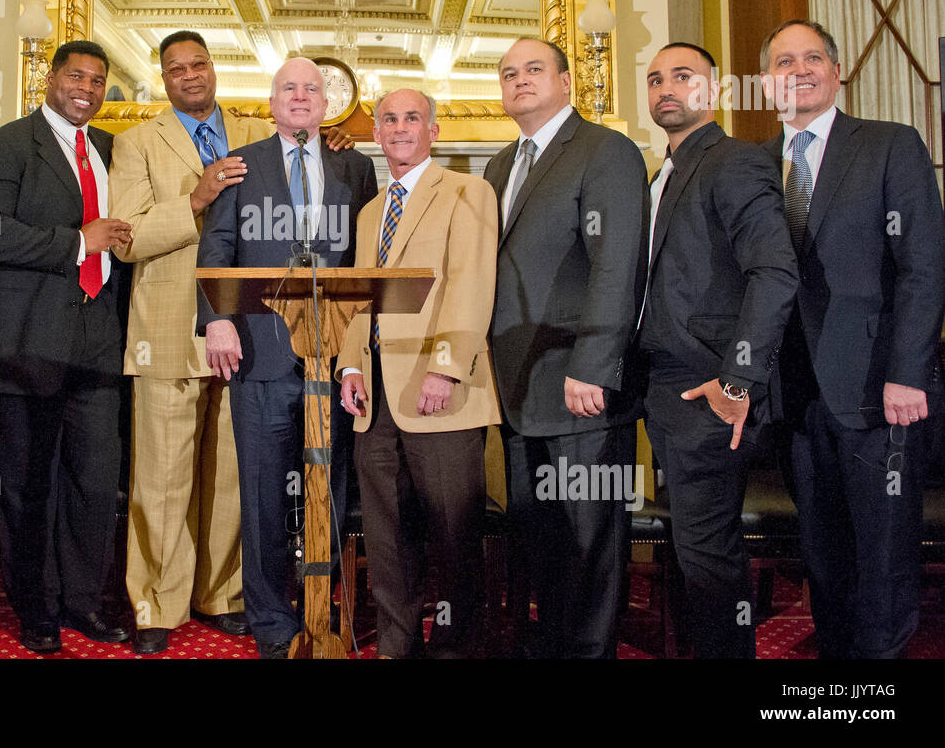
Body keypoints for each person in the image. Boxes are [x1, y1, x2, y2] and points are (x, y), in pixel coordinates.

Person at [110, 31, 357, 654]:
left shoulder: (281, 134)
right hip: (185, 328)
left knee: (231, 483)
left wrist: (330, 136)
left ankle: (223, 595)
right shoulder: (138, 142)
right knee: (165, 478)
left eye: (200, 64)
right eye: (176, 68)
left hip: (286, 349)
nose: (190, 75)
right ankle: (156, 606)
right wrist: (196, 204)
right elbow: (134, 239)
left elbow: (310, 137)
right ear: (162, 78)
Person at [762, 19, 945, 659]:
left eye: (813, 57)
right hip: (794, 398)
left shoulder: (890, 145)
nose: (800, 69)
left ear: (836, 73)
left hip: (878, 389)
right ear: (766, 81)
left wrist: (909, 374)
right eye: (785, 60)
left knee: (883, 560)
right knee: (824, 559)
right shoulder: (758, 164)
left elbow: (924, 267)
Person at [195, 57, 377, 658]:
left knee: (332, 490)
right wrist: (218, 319)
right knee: (264, 495)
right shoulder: (240, 165)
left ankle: (329, 613)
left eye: (312, 89)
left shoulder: (355, 165)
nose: (300, 97)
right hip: (261, 357)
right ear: (271, 103)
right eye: (288, 88)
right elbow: (217, 246)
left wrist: (354, 357)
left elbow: (367, 262)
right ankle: (273, 622)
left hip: (336, 362)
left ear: (327, 104)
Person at [0, 40, 132, 653]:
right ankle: (35, 610)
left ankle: (82, 604)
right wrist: (75, 242)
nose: (86, 88)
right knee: (29, 487)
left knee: (92, 482)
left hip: (99, 343)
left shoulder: (112, 149)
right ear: (51, 79)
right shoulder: (8, 143)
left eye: (97, 80)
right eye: (75, 76)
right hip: (27, 342)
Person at [484, 37, 647, 658]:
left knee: (589, 544)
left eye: (533, 69)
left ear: (566, 81)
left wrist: (595, 367)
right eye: (508, 73)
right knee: (540, 538)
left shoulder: (606, 151)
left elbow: (616, 265)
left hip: (581, 387)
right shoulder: (501, 165)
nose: (519, 80)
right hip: (520, 388)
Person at [638, 42, 797, 658]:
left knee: (708, 557)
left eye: (683, 76)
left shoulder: (734, 161)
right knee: (692, 551)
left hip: (709, 387)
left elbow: (776, 272)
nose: (665, 88)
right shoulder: (664, 174)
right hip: (664, 384)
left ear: (717, 91)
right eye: (655, 80)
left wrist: (737, 381)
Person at [337, 88, 500, 659]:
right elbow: (359, 299)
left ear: (432, 130)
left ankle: (457, 648)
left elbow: (472, 284)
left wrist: (446, 369)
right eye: (388, 120)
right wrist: (351, 364)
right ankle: (397, 647)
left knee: (454, 538)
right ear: (376, 135)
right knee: (388, 540)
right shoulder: (369, 212)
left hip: (440, 392)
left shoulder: (468, 191)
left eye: (411, 118)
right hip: (375, 401)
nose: (400, 128)